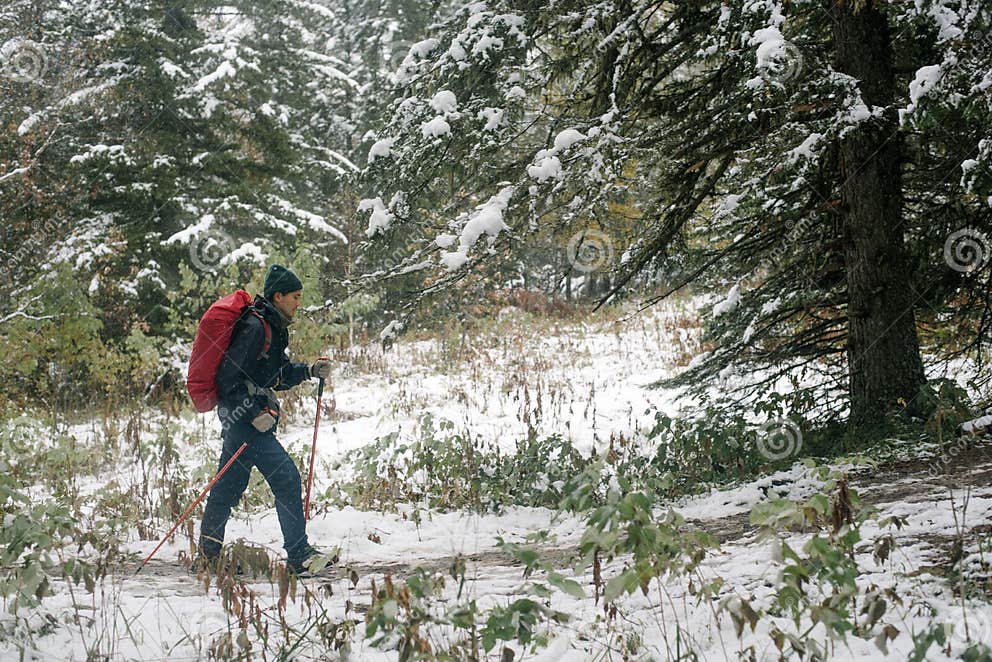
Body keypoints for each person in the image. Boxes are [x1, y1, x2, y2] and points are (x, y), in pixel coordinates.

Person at [194, 264, 333, 574]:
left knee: (227, 488)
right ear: (278, 296)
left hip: (243, 422)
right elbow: (228, 378)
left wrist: (309, 371)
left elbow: (276, 375)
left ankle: (206, 557)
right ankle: (299, 555)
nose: (299, 303)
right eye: (295, 296)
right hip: (245, 423)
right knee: (286, 478)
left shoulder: (272, 326)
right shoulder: (256, 328)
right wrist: (253, 413)